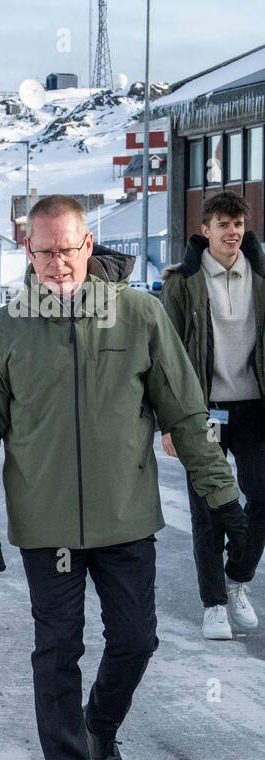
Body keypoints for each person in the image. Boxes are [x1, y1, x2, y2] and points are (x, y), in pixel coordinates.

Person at [0, 194, 247, 760]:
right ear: (26, 252)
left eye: (68, 248)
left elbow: (185, 415)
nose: (58, 264)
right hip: (46, 523)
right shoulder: (3, 329)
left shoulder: (138, 315)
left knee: (136, 640)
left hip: (125, 518)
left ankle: (100, 728)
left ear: (89, 246)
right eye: (44, 251)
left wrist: (222, 497)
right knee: (57, 651)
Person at [160, 190, 265, 640]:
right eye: (223, 225)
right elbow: (163, 355)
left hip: (255, 407)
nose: (232, 232)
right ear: (205, 231)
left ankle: (237, 578)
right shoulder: (181, 283)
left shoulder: (261, 278)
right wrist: (168, 420)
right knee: (207, 509)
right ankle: (215, 604)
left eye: (238, 224)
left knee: (262, 498)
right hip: (201, 411)